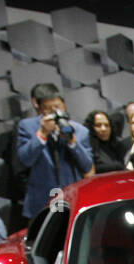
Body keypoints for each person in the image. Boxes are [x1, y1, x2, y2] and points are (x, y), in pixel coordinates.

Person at [16, 84, 92, 219]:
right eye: (48, 109)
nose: (54, 112)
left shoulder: (80, 130)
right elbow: (25, 160)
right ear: (39, 109)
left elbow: (87, 165)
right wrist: (42, 134)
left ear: (64, 105)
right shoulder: (27, 126)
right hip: (41, 201)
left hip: (73, 200)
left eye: (57, 107)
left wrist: (72, 142)